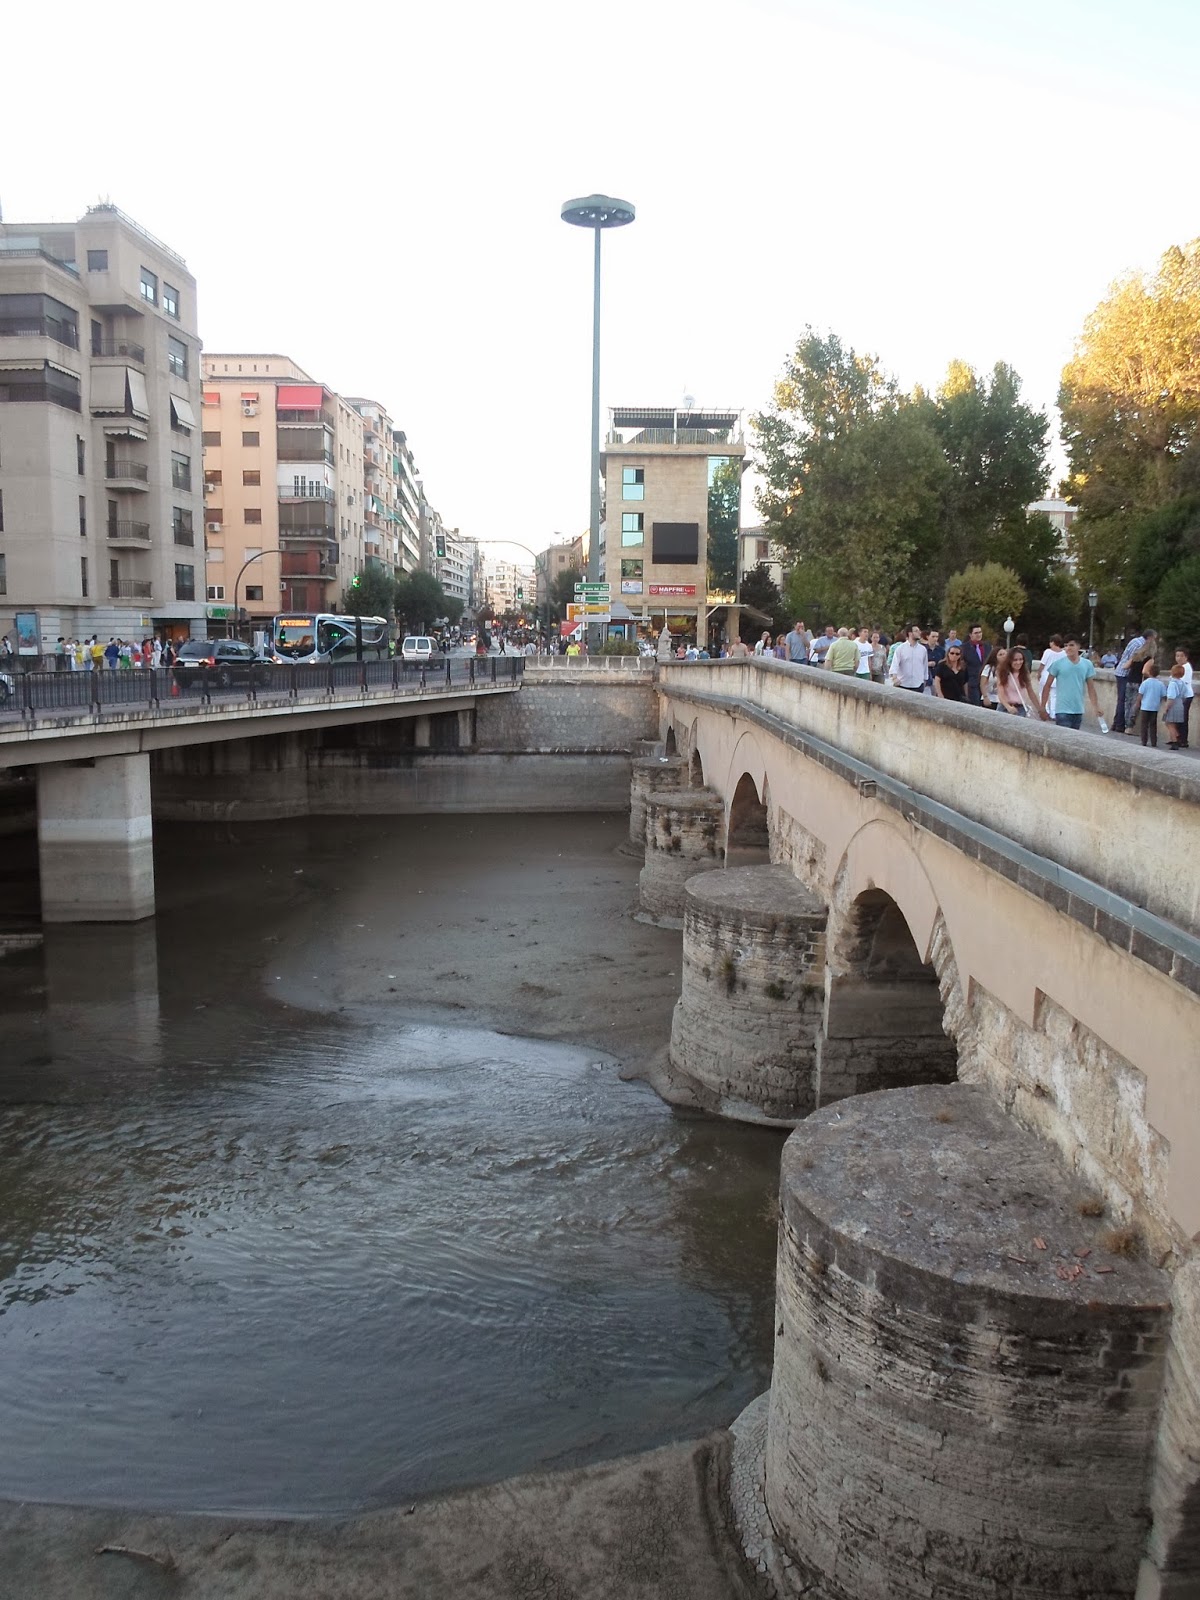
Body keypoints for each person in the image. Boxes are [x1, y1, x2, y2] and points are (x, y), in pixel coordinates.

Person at [1040, 636, 1100, 729]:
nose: (1068, 648)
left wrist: (1096, 707)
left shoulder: (1087, 664)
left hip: (1078, 709)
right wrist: (1043, 707)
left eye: (1071, 645)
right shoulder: (1058, 664)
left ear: (1078, 646)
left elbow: (1091, 688)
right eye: (1066, 645)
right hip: (1062, 709)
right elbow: (1047, 685)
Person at [1112, 628, 1156, 734]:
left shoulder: (1135, 642)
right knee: (1132, 704)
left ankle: (1117, 724)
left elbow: (1127, 663)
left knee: (1123, 701)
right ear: (1149, 638)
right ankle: (1124, 726)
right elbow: (1145, 671)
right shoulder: (1142, 648)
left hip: (1125, 676)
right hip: (1132, 678)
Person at [996, 648, 1042, 717]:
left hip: (1020, 708)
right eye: (1015, 660)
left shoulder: (1025, 673)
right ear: (1009, 660)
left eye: (1021, 659)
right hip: (1004, 707)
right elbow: (1000, 693)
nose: (1018, 662)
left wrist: (1039, 709)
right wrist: (1008, 707)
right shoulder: (1003, 673)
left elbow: (1031, 692)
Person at [1136, 658, 1167, 747]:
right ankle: (1154, 741)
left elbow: (1140, 694)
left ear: (1149, 672)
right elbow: (1164, 696)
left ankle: (1144, 741)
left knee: (1144, 725)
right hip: (1155, 707)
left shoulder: (1145, 683)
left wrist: (1138, 703)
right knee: (1153, 725)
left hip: (1145, 706)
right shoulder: (1160, 684)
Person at [889, 624, 929, 692]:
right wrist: (894, 678)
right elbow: (894, 665)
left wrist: (925, 679)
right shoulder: (900, 648)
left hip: (918, 684)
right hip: (903, 684)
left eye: (919, 631)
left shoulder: (923, 649)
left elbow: (925, 666)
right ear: (910, 633)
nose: (919, 633)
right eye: (916, 631)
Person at [1038, 635, 1066, 719]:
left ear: (1053, 642)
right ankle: (1053, 714)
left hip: (1046, 676)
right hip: (1057, 677)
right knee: (1054, 696)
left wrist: (1039, 673)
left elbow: (1043, 663)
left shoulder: (1048, 652)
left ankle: (1045, 710)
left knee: (1043, 693)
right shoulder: (1063, 653)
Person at [961, 624, 989, 706]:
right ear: (970, 635)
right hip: (972, 682)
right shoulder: (964, 648)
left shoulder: (987, 646)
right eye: (976, 633)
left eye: (980, 632)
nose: (979, 635)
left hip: (985, 682)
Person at [1164, 664, 1188, 749]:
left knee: (1170, 723)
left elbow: (1171, 697)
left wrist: (1166, 707)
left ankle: (1174, 741)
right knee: (1174, 723)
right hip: (1180, 703)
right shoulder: (1182, 683)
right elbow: (1185, 694)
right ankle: (1175, 737)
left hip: (1173, 704)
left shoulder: (1172, 683)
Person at [1173, 647, 1193, 748]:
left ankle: (1183, 740)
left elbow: (1181, 682)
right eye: (1177, 656)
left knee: (1183, 718)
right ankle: (1177, 738)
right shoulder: (1179, 667)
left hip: (1185, 696)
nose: (1179, 658)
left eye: (1181, 656)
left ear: (1186, 657)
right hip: (1180, 696)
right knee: (1179, 718)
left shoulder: (1186, 667)